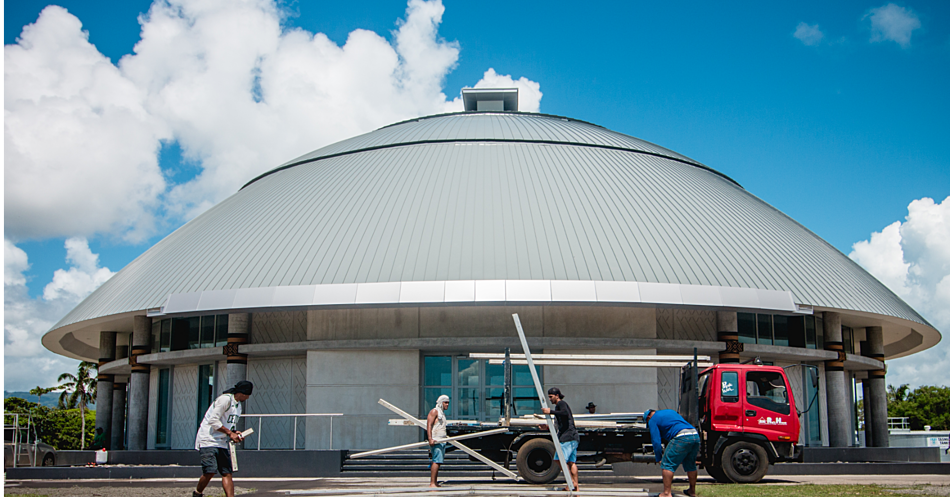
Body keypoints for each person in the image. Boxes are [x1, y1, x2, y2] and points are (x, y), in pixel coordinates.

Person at [193, 380, 253, 497]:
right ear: (243, 393)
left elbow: (228, 424)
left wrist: (235, 432)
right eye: (248, 395)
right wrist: (230, 433)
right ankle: (197, 493)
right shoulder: (225, 400)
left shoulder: (238, 406)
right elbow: (213, 421)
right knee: (210, 470)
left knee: (227, 472)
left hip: (221, 442)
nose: (248, 398)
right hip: (208, 439)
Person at [645, 408, 700, 497]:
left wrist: (659, 458)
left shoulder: (652, 419)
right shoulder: (669, 411)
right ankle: (692, 491)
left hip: (681, 437)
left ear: (648, 417)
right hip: (694, 435)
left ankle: (666, 493)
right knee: (691, 464)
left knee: (667, 464)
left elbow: (656, 441)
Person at [542, 387, 579, 491]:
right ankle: (576, 488)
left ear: (557, 396)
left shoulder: (561, 404)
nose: (550, 399)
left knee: (559, 459)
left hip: (567, 437)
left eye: (551, 397)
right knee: (571, 462)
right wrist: (547, 427)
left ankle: (571, 482)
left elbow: (564, 413)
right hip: (572, 437)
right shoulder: (560, 407)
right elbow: (561, 422)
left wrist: (550, 411)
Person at [427, 395, 450, 487]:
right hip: (436, 440)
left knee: (439, 461)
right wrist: (430, 439)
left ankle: (435, 482)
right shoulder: (434, 411)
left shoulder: (442, 413)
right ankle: (432, 483)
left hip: (442, 440)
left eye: (448, 402)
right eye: (445, 402)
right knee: (436, 460)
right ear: (441, 402)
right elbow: (429, 425)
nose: (447, 404)